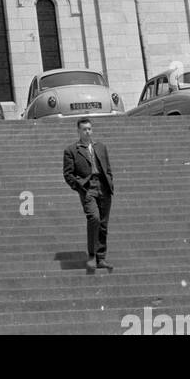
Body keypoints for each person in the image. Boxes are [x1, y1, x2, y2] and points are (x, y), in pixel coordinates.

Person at [63, 117, 114, 273]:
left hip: (103, 187)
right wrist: (79, 187)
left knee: (103, 224)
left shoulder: (101, 147)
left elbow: (107, 168)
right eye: (84, 129)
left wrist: (110, 181)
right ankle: (92, 255)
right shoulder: (71, 150)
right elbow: (67, 174)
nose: (87, 132)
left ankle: (101, 258)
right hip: (88, 188)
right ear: (78, 131)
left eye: (89, 129)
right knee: (94, 218)